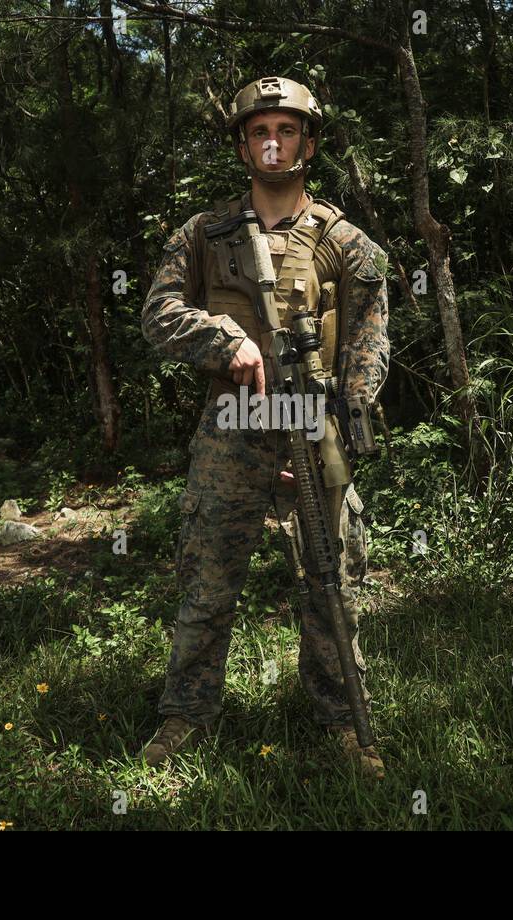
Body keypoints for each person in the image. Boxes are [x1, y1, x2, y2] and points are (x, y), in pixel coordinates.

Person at [139, 75, 390, 778]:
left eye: (285, 130)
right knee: (208, 579)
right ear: (244, 145)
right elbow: (157, 314)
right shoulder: (204, 234)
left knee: (328, 583)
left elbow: (371, 346)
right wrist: (225, 339)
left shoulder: (348, 242)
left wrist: (339, 419)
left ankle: (345, 720)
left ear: (309, 141)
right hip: (232, 430)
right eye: (259, 131)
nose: (272, 143)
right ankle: (184, 714)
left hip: (312, 430)